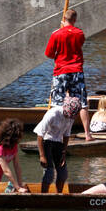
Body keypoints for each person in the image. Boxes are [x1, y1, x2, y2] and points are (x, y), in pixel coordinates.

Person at [45, 8, 91, 140]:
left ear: (64, 19)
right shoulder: (80, 33)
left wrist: (60, 30)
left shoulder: (56, 34)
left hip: (61, 71)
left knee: (57, 102)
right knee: (81, 102)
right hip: (76, 71)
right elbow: (78, 43)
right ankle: (87, 134)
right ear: (75, 20)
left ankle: (53, 132)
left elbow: (48, 54)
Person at [34, 96, 82, 193]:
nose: (70, 117)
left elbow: (66, 135)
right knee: (49, 173)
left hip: (58, 142)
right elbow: (40, 135)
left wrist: (64, 152)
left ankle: (58, 194)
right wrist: (42, 155)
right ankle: (43, 195)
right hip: (46, 141)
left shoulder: (71, 118)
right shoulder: (53, 114)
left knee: (63, 173)